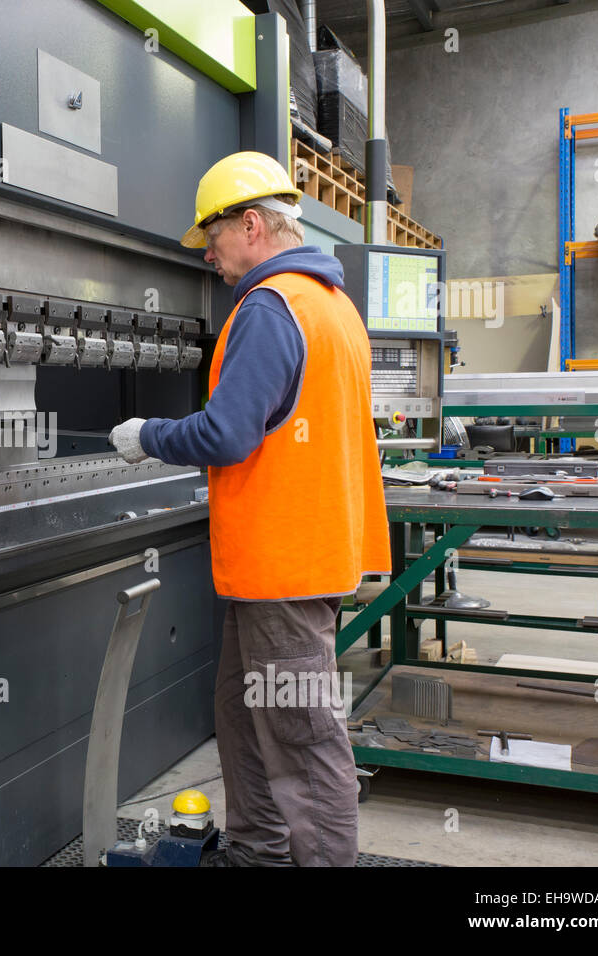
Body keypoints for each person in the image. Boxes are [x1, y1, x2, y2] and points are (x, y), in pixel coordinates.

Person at [109, 151, 390, 866]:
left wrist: (148, 437)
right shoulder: (331, 306)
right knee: (241, 717)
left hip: (286, 568)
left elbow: (227, 434)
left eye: (214, 234)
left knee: (302, 737)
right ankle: (257, 852)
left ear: (254, 224)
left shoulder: (270, 308)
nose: (208, 252)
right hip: (298, 561)